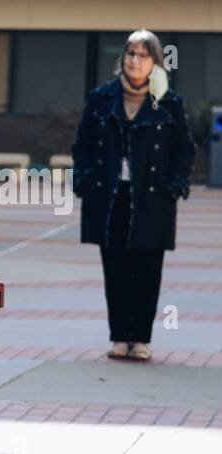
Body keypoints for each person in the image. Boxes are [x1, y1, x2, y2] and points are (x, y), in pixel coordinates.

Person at [72, 29, 195, 362]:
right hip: (110, 195)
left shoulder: (169, 102)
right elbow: (81, 145)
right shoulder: (101, 98)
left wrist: (175, 185)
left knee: (146, 270)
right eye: (130, 54)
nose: (134, 61)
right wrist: (83, 179)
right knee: (115, 268)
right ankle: (119, 337)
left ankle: (140, 338)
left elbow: (184, 150)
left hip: (152, 198)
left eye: (142, 55)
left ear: (154, 62)